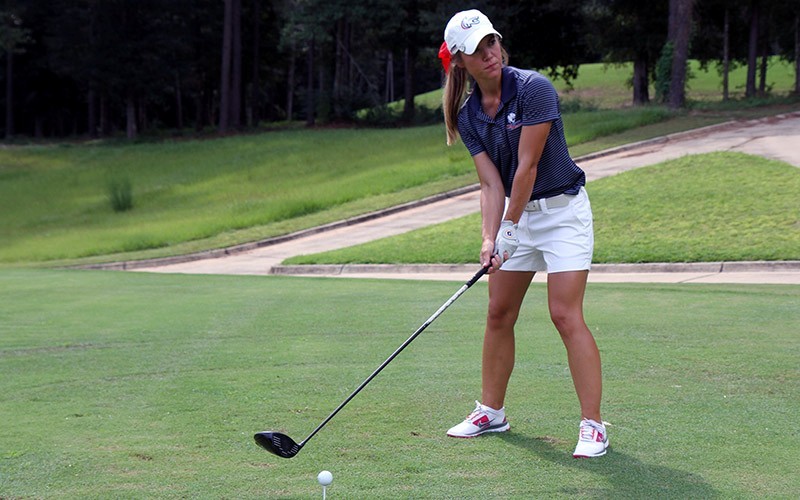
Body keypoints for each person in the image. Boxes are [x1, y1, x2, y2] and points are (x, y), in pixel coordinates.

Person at [438, 9, 608, 458]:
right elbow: (491, 183)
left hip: (561, 213)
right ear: (460, 62)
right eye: (477, 50)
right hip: (517, 217)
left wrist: (509, 228)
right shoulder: (469, 115)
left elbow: (528, 168)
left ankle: (593, 425)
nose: (489, 54)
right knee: (498, 312)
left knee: (564, 314)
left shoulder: (533, 89)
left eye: (492, 42)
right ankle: (492, 411)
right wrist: (489, 238)